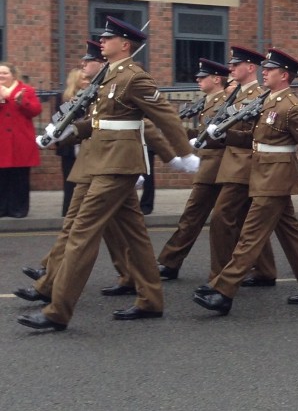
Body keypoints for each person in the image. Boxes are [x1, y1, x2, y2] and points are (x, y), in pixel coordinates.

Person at [17, 16, 199, 331]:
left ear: (125, 44)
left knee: (81, 234)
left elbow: (165, 116)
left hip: (118, 164)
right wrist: (67, 132)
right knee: (136, 236)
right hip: (103, 161)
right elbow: (99, 122)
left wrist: (184, 154)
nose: (101, 42)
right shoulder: (107, 74)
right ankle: (151, 300)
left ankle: (57, 310)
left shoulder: (134, 77)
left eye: (107, 38)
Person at [193, 49, 298, 315]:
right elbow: (251, 136)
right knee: (291, 233)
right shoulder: (268, 100)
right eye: (264, 69)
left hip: (276, 177)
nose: (264, 72)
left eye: (270, 70)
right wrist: (220, 135)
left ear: (284, 75)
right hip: (262, 174)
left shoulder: (291, 107)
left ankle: (223, 291)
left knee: (250, 235)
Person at [203, 45, 278, 287]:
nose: (231, 68)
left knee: (221, 218)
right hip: (232, 164)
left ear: (251, 68)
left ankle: (220, 276)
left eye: (236, 64)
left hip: (245, 165)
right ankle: (265, 270)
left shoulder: (258, 95)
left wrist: (224, 136)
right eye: (231, 64)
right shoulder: (234, 94)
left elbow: (256, 135)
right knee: (248, 220)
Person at [155, 59, 231, 280]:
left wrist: (199, 141)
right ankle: (170, 261)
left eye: (203, 76)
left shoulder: (224, 101)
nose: (197, 79)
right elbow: (202, 133)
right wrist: (181, 135)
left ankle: (252, 268)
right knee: (193, 216)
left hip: (219, 166)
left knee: (227, 220)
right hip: (208, 166)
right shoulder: (209, 101)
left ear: (217, 79)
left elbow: (223, 137)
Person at [0, 61, 42, 218]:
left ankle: (19, 209)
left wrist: (20, 101)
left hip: (21, 141)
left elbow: (36, 110)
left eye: (5, 73)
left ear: (13, 74)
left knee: (20, 178)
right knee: (2, 178)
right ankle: (2, 208)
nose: (1, 76)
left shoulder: (26, 90)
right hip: (2, 142)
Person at [57, 67, 90, 216]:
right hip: (69, 146)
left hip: (86, 146)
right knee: (70, 181)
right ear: (75, 81)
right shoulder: (64, 98)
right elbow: (58, 120)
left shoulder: (92, 97)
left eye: (88, 79)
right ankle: (68, 212)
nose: (87, 81)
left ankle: (84, 212)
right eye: (83, 79)